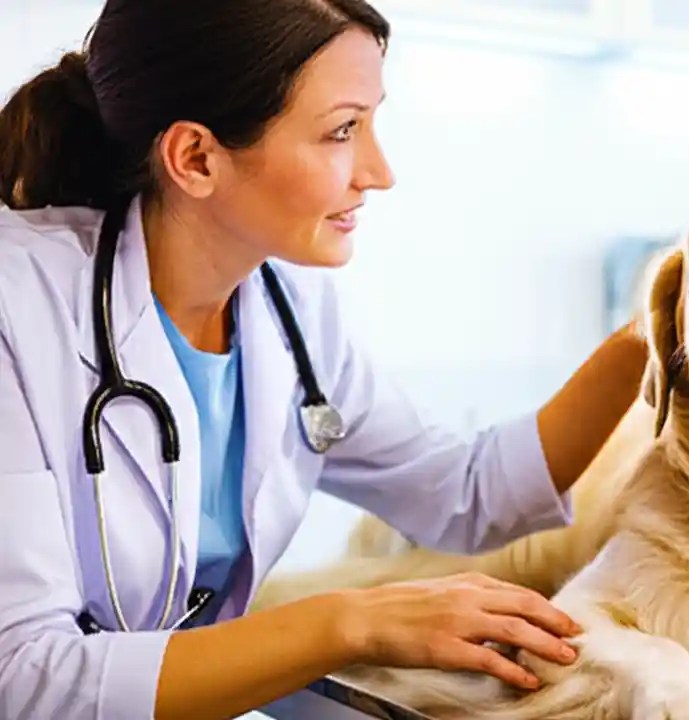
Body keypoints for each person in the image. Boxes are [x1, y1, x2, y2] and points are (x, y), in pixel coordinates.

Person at [0, 1, 648, 718]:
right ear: (196, 158)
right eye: (342, 130)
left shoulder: (291, 314)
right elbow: (25, 676)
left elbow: (467, 494)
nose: (379, 171)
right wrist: (351, 623)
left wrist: (649, 331)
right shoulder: (18, 308)